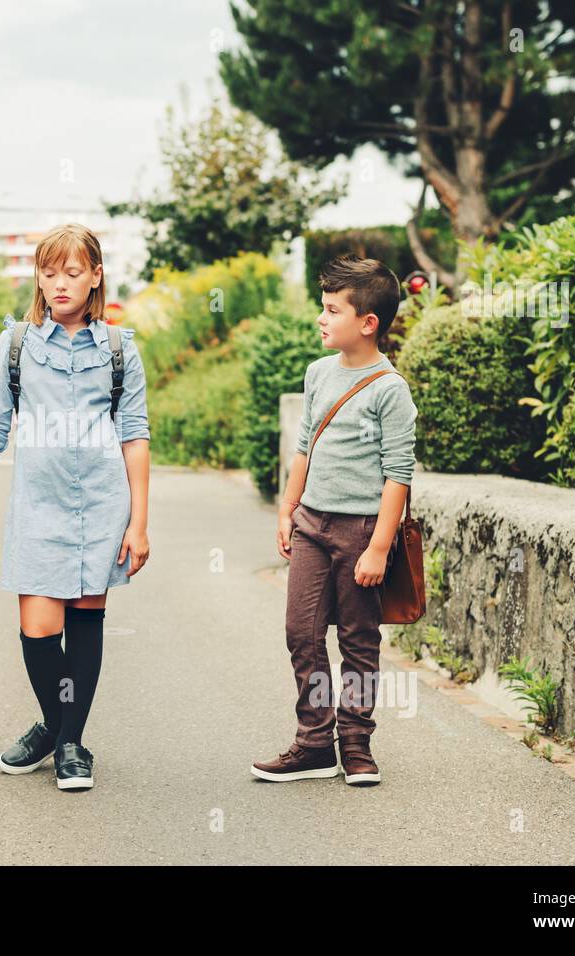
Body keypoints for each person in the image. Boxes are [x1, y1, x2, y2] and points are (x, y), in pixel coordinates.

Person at [0, 223, 151, 792]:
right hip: (38, 505)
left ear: (96, 275)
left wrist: (140, 522)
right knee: (37, 629)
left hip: (103, 504)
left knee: (84, 619)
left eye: (73, 272)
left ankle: (70, 744)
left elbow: (135, 435)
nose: (60, 283)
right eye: (49, 272)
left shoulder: (121, 350)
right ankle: (57, 727)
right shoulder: (17, 347)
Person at [252, 255, 418, 787]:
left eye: (331, 310)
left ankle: (356, 745)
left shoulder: (390, 389)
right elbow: (303, 448)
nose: (321, 319)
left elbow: (398, 475)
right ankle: (314, 743)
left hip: (362, 531)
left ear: (367, 322)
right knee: (301, 632)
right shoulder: (318, 373)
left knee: (358, 641)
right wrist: (286, 508)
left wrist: (378, 547)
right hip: (312, 525)